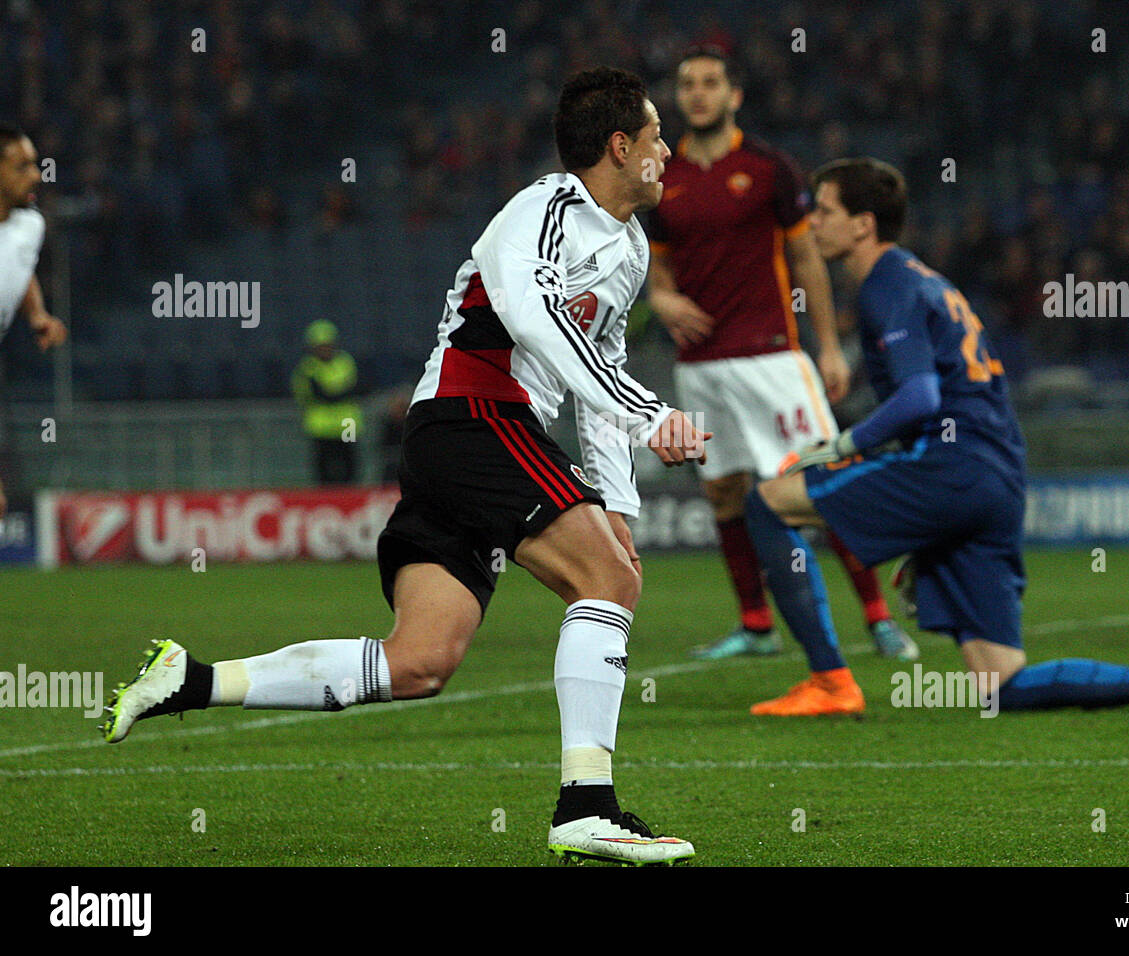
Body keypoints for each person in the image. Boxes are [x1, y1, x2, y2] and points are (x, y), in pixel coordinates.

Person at [100, 68, 708, 866]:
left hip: (464, 437)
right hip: (475, 414)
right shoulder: (542, 210)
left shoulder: (628, 249)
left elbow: (599, 378)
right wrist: (652, 413)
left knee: (420, 661)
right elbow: (540, 321)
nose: (669, 150)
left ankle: (191, 681)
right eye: (658, 136)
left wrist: (617, 504)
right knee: (609, 583)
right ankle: (586, 807)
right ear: (620, 146)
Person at [742, 157, 1129, 716]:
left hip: (950, 466)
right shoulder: (925, 279)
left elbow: (921, 398)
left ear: (863, 225)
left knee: (768, 504)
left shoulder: (885, 286)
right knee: (1003, 685)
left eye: (824, 209)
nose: (811, 220)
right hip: (997, 476)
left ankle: (830, 681)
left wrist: (843, 445)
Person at [644, 47, 916, 662]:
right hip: (701, 366)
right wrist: (662, 302)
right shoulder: (666, 178)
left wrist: (827, 348)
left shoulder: (770, 168)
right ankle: (757, 625)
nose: (698, 94)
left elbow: (805, 260)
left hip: (772, 357)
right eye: (688, 84)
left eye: (711, 83)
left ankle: (876, 617)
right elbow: (658, 271)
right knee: (725, 494)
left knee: (824, 481)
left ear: (734, 95)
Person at [0, 124, 68, 520]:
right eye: (22, 166)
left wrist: (37, 313)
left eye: (36, 164)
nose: (37, 175)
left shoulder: (31, 226)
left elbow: (20, 269)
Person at [291, 320, 361, 485]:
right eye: (321, 346)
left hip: (347, 423)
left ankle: (350, 495)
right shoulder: (307, 368)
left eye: (328, 345)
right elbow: (318, 394)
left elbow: (352, 388)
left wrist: (331, 392)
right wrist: (337, 392)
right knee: (323, 465)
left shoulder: (345, 362)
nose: (325, 350)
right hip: (321, 426)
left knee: (350, 462)